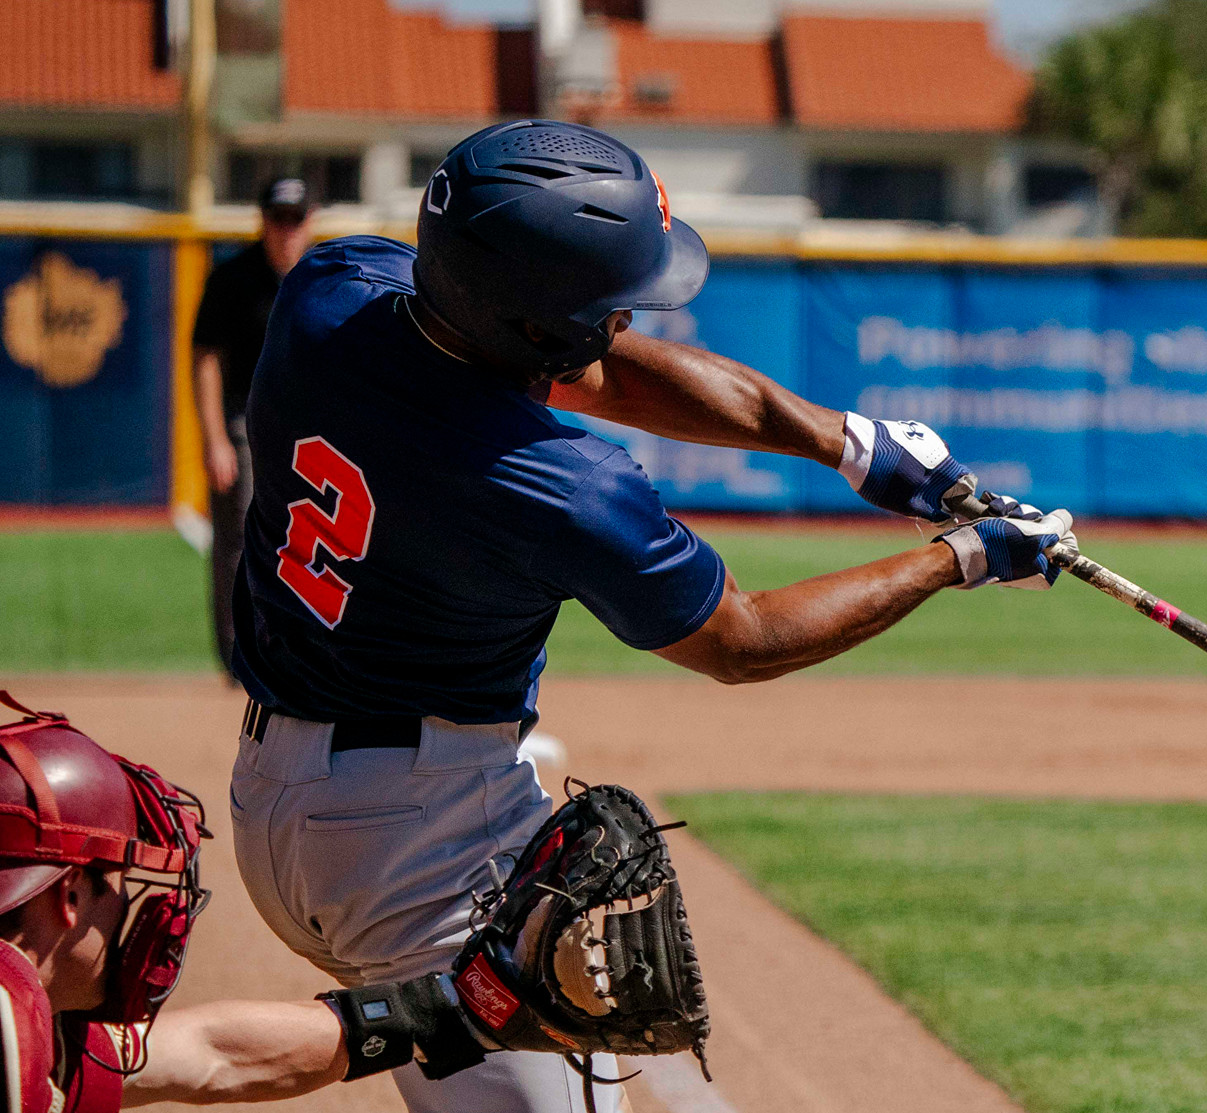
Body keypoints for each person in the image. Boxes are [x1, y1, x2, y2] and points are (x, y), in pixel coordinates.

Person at [226, 119, 1072, 1113]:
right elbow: (742, 640)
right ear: (538, 327)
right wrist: (960, 558)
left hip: (270, 803)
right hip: (423, 849)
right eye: (610, 304)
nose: (627, 318)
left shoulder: (331, 292)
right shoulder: (560, 484)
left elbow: (601, 368)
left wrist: (850, 445)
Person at [0, 691, 502, 1110]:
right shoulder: (9, 1018)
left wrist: (445, 1012)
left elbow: (212, 1054)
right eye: (117, 882)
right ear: (68, 894)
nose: (126, 907)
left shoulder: (27, 1022)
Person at [190, 178, 314, 678]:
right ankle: (238, 655)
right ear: (262, 220)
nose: (286, 229)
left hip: (305, 426)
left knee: (307, 538)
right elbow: (205, 359)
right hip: (243, 423)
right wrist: (214, 437)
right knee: (239, 539)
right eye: (278, 217)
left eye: (295, 218)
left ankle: (295, 653)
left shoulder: (320, 277)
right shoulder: (232, 278)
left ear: (311, 221)